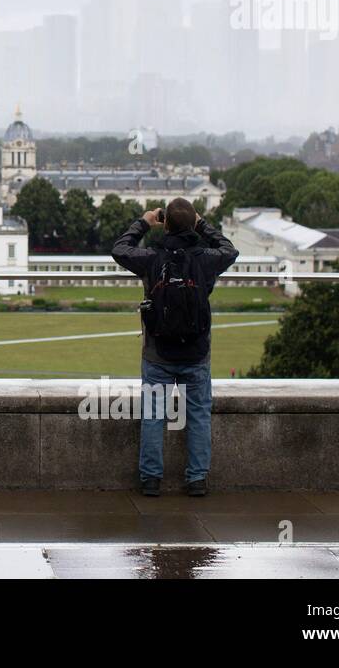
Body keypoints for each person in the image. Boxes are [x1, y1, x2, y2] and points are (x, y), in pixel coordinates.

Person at [111, 198, 238, 497]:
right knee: (198, 414)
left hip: (158, 351)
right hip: (196, 350)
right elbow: (230, 250)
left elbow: (120, 249)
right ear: (193, 223)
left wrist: (144, 222)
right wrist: (201, 224)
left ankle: (151, 479)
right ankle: (196, 479)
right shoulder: (206, 258)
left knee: (153, 415)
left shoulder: (153, 258)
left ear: (165, 223)